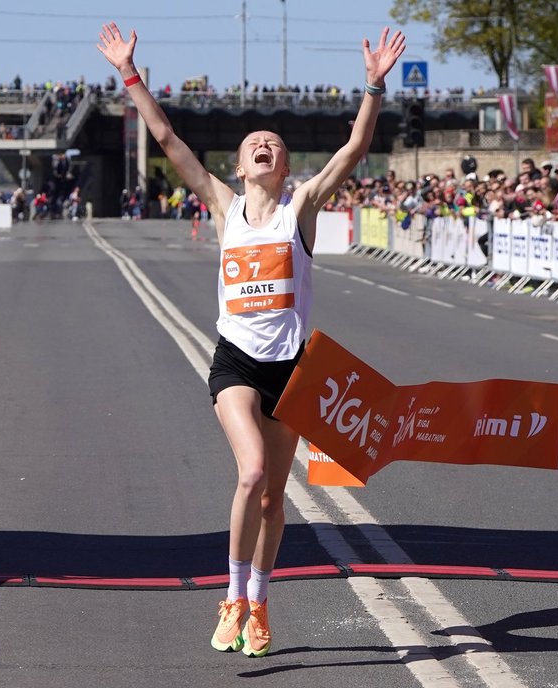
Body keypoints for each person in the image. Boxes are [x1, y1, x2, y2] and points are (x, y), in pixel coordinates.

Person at [98, 20, 405, 654]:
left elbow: (352, 149)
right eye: (254, 143)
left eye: (274, 142)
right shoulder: (220, 206)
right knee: (252, 473)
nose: (264, 144)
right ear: (237, 168)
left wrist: (373, 85)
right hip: (236, 361)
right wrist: (130, 74)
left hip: (291, 368)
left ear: (285, 166)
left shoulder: (302, 210)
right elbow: (165, 136)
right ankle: (233, 595)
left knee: (273, 502)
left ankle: (260, 603)